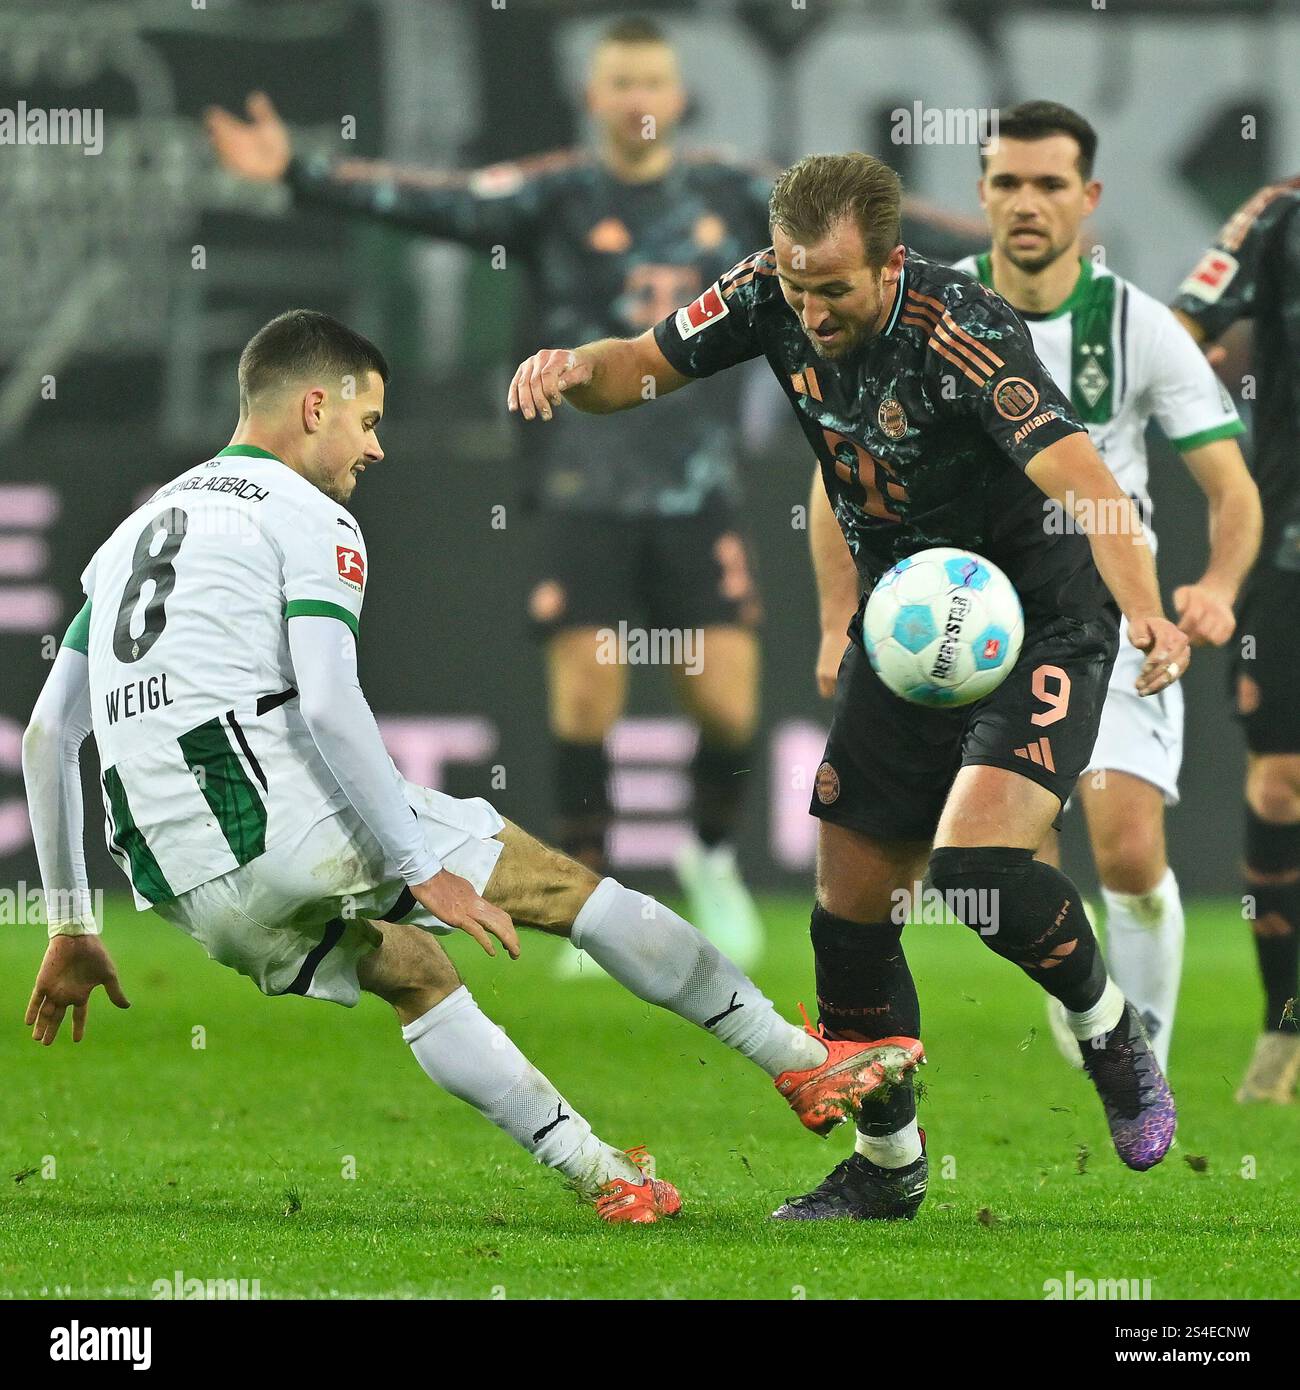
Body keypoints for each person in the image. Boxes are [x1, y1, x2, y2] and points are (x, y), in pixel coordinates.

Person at [20, 309, 923, 1226]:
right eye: (368, 423)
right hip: (275, 812)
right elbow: (331, 706)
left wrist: (66, 922)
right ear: (314, 406)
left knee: (408, 969)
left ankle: (606, 1174)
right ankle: (802, 1065)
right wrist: (420, 867)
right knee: (565, 890)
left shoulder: (133, 533)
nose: (373, 450)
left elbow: (50, 735)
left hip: (182, 881)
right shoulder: (307, 516)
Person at [204, 16, 983, 968]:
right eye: (620, 83)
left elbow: (879, 235)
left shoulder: (733, 192)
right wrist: (299, 171)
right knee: (585, 706)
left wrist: (1002, 246)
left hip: (696, 494)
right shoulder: (556, 195)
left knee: (727, 710)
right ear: (594, 96)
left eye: (652, 81)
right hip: (581, 490)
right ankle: (589, 893)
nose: (638, 100)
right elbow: (436, 202)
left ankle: (710, 861)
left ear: (676, 94)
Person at [508, 150, 1191, 1222]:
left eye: (833, 289)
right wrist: (569, 369)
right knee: (848, 915)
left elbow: (1085, 480)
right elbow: (639, 364)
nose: (810, 310)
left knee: (976, 871)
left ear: (889, 264)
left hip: (1037, 617)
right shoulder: (764, 294)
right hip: (909, 623)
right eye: (795, 285)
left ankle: (1111, 1033)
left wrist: (1144, 604)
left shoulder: (966, 333)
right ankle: (887, 1164)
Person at [952, 101, 1261, 1071]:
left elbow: (1230, 487)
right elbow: (837, 478)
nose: (1026, 202)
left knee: (1126, 848)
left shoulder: (1139, 326)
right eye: (1006, 182)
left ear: (1087, 198)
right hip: (978, 625)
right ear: (982, 194)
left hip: (1110, 616)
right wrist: (841, 615)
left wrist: (1213, 583)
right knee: (1004, 864)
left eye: (1048, 184)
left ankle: (1144, 1057)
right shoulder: (933, 313)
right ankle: (1086, 987)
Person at [1172, 173, 1300, 1101]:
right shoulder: (1279, 213)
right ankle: (1283, 1026)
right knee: (1283, 780)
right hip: (1291, 543)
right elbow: (1184, 328)